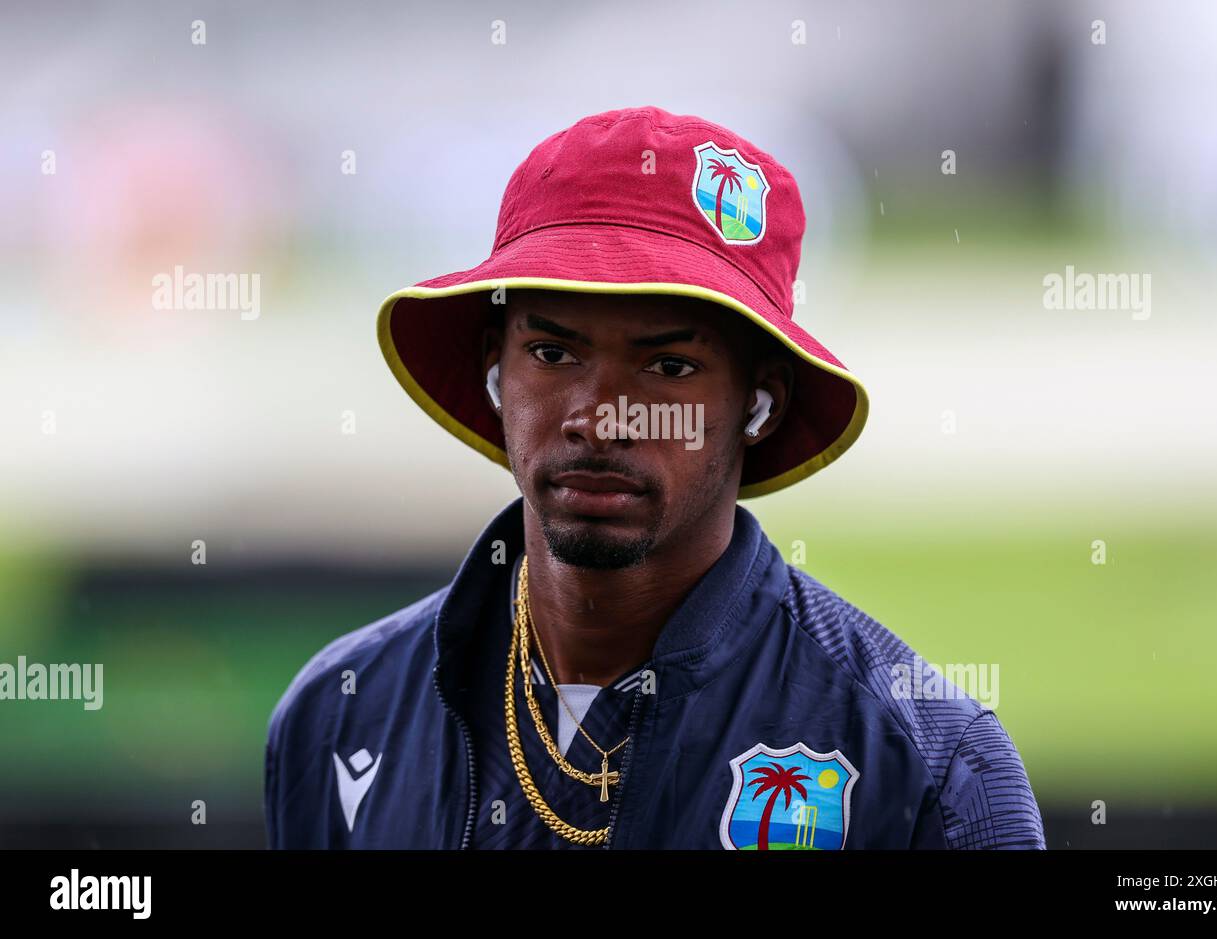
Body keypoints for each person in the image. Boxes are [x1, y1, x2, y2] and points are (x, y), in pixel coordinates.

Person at [264, 105, 1046, 849]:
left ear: (762, 401)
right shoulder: (343, 710)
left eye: (669, 365)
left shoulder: (927, 763)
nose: (600, 415)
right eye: (553, 353)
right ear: (493, 368)